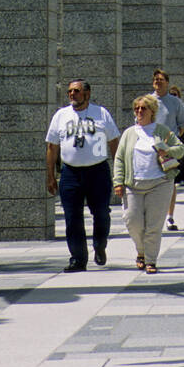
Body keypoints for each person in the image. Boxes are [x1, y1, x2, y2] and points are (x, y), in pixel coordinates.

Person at [45, 78, 120, 273]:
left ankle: (99, 245)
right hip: (70, 172)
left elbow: (114, 143)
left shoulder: (101, 113)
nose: (72, 94)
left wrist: (119, 172)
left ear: (87, 94)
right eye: (70, 91)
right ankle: (78, 259)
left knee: (102, 213)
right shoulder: (61, 115)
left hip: (98, 171)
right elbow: (52, 147)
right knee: (72, 217)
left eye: (76, 91)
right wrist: (50, 175)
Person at [114, 95, 184, 274]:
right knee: (132, 221)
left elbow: (181, 149)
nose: (139, 111)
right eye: (136, 108)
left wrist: (167, 149)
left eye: (143, 108)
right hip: (133, 185)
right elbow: (119, 158)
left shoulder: (162, 130)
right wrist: (118, 182)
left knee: (154, 225)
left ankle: (150, 260)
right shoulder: (129, 133)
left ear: (152, 111)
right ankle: (141, 251)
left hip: (160, 183)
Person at [152, 68, 184, 232]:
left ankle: (169, 216)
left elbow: (183, 124)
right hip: (150, 149)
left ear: (167, 82)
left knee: (169, 182)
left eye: (161, 80)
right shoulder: (147, 101)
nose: (158, 82)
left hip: (168, 150)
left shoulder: (175, 102)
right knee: (151, 182)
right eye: (155, 79)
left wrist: (172, 141)